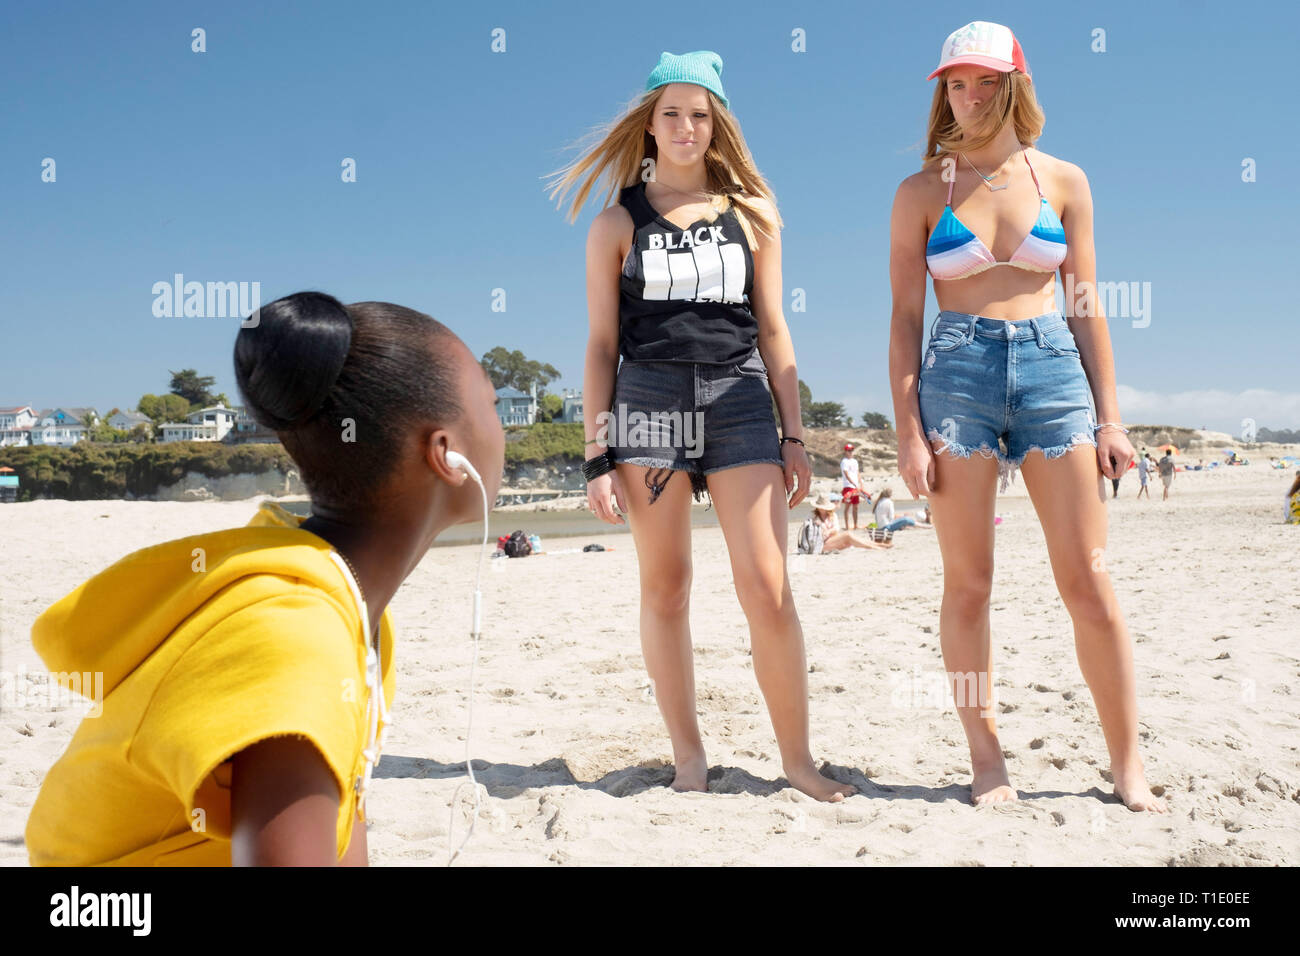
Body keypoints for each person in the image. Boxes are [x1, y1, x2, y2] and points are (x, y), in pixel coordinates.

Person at [25, 292, 505, 865]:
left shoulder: (341, 603)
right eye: (493, 403)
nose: (503, 426)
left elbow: (340, 819)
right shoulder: (293, 635)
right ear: (446, 455)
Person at [548, 50, 854, 802]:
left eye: (701, 114)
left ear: (718, 127)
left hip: (740, 397)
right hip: (647, 400)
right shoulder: (616, 223)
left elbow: (775, 329)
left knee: (767, 584)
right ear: (649, 125)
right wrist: (596, 450)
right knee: (669, 585)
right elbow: (599, 344)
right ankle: (688, 758)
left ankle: (798, 761)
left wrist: (793, 432)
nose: (687, 126)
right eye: (673, 113)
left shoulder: (754, 213)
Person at [887, 21, 1164, 811]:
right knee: (969, 583)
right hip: (957, 376)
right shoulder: (920, 191)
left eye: (983, 82)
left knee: (1088, 581)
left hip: (1053, 374)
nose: (968, 97)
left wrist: (1111, 418)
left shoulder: (1064, 181)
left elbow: (1085, 305)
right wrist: (907, 429)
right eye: (955, 83)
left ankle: (1126, 765)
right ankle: (986, 759)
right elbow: (906, 318)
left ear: (1017, 84)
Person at [810, 494, 893, 551]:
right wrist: (829, 532)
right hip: (819, 545)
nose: (822, 509)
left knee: (852, 537)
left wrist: (829, 531)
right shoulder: (813, 516)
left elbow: (836, 528)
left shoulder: (832, 515)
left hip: (829, 540)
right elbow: (815, 534)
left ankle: (878, 545)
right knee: (848, 535)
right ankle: (875, 547)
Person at [840, 443, 866, 528]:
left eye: (851, 450)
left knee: (856, 507)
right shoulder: (844, 461)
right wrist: (853, 483)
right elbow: (846, 474)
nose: (850, 452)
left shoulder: (855, 461)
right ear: (845, 451)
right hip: (848, 486)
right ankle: (847, 526)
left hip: (856, 487)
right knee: (847, 506)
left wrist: (860, 483)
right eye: (849, 450)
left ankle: (855, 525)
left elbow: (857, 473)